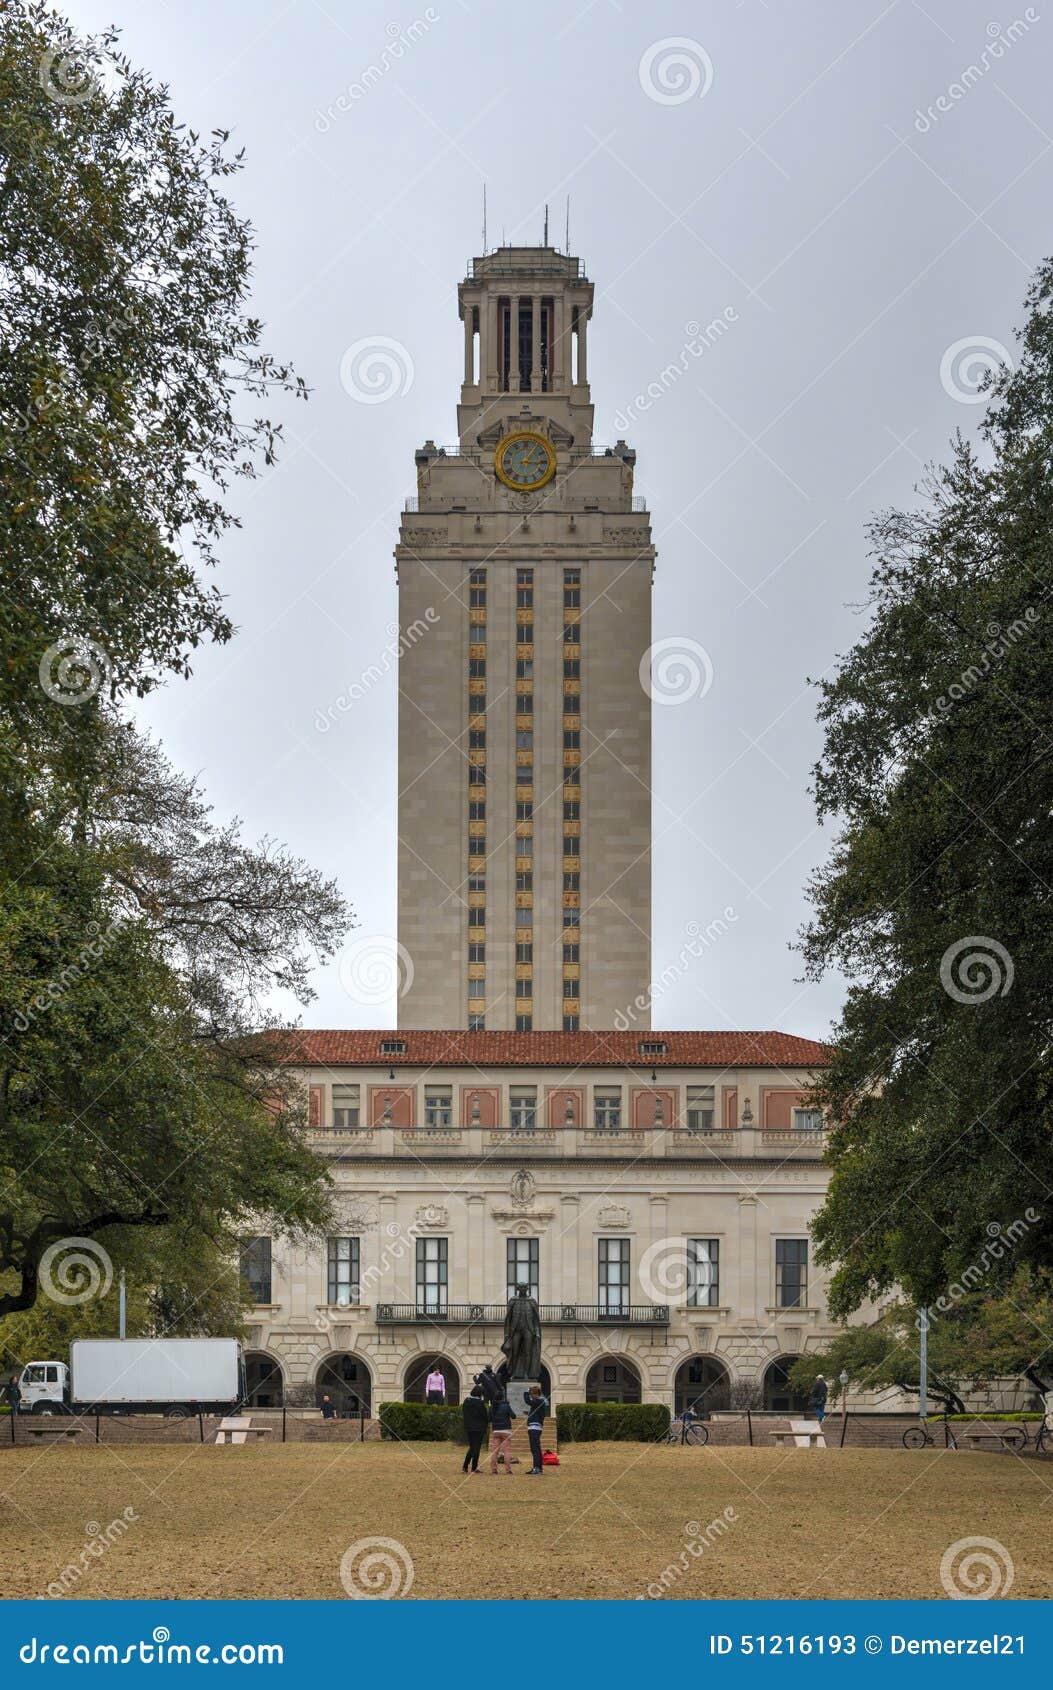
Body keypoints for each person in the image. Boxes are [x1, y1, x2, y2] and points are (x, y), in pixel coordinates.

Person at [461, 1385, 488, 1474]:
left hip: (469, 1427)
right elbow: (485, 1416)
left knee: (472, 1447)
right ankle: (473, 1467)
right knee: (476, 1448)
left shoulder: (466, 1401)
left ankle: (465, 1466)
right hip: (478, 1428)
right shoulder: (480, 1403)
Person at [524, 1383, 549, 1475]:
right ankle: (537, 1468)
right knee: (535, 1449)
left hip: (535, 1428)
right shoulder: (539, 1402)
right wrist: (529, 1414)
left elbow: (527, 1401)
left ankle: (537, 1468)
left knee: (535, 1449)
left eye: (531, 1394)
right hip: (535, 1427)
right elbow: (539, 1414)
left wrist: (526, 1392)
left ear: (535, 1394)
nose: (530, 1396)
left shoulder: (538, 1401)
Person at [489, 1390, 516, 1475]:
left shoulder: (492, 1407)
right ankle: (508, 1470)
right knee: (506, 1451)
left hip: (496, 1430)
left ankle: (494, 1469)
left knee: (495, 1451)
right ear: (502, 1397)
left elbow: (489, 1419)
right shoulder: (506, 1406)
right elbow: (513, 1416)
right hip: (506, 1430)